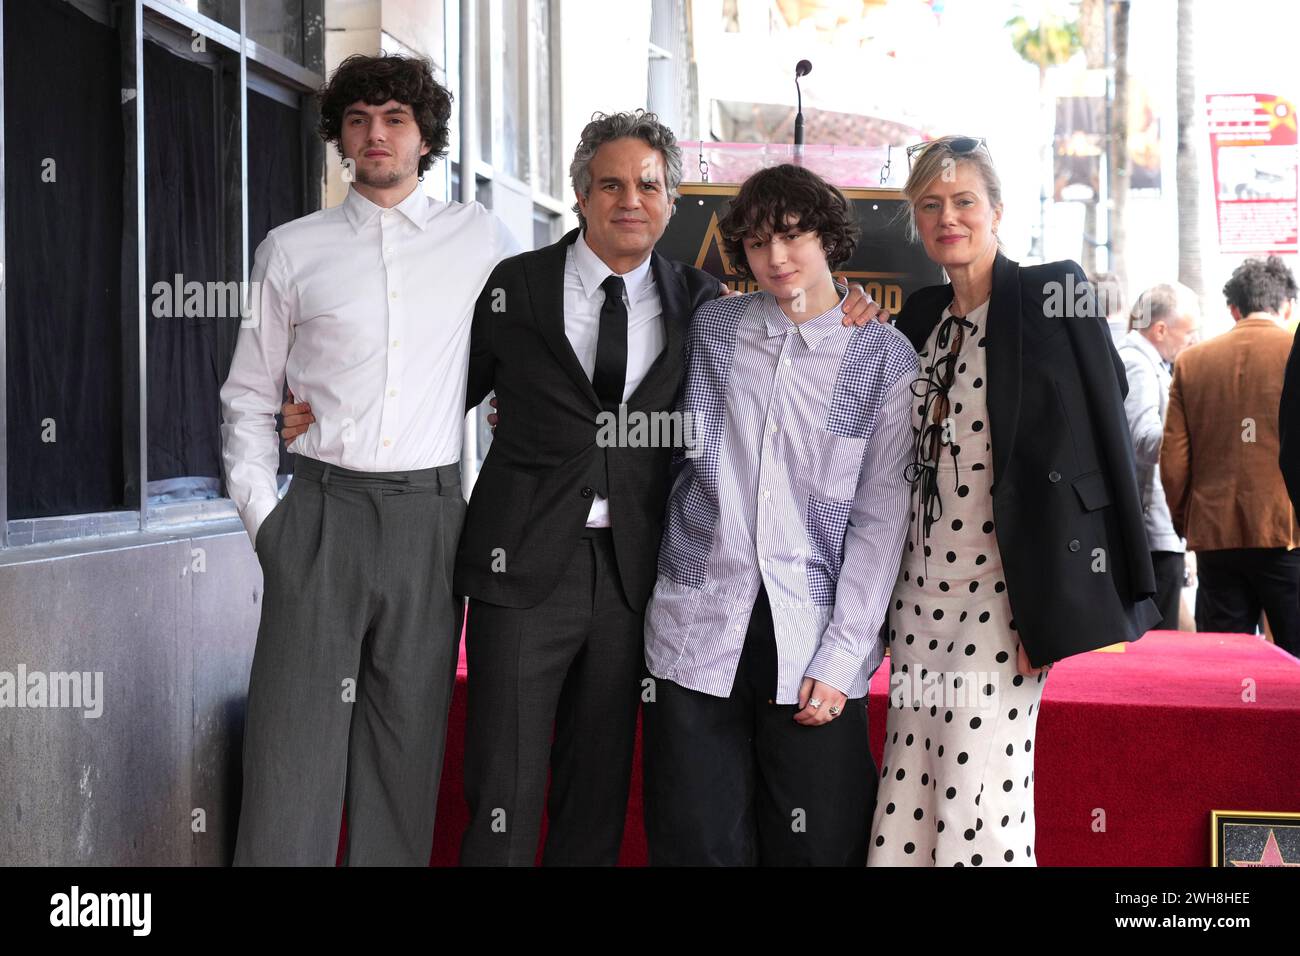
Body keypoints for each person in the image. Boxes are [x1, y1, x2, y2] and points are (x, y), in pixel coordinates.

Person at [279, 118, 885, 866]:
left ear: (669, 203)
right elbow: (434, 389)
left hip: (635, 578)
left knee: (594, 793)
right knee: (503, 790)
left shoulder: (702, 305)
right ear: (580, 196)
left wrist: (853, 299)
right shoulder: (517, 285)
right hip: (521, 567)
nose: (631, 199)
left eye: (649, 186)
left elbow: (806, 313)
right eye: (611, 184)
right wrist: (321, 409)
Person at [219, 54, 518, 865]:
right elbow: (249, 394)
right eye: (357, 119)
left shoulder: (484, 238)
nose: (374, 134)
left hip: (430, 520)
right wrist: (266, 517)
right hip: (316, 514)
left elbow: (546, 338)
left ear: (426, 137)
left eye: (393, 118)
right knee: (289, 756)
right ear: (340, 137)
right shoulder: (290, 248)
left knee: (404, 754)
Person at [868, 135, 1160, 867]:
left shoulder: (1051, 291)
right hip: (917, 592)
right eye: (930, 205)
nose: (948, 217)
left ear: (997, 209)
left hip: (1005, 595)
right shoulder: (921, 318)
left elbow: (1105, 419)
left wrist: (1064, 599)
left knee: (978, 786)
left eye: (964, 200)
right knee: (911, 778)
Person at [641, 163, 918, 866]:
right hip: (697, 626)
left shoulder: (884, 359)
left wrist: (844, 652)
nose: (777, 258)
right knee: (697, 844)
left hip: (813, 635)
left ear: (829, 237)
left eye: (793, 237)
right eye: (759, 244)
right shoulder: (714, 328)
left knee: (817, 845)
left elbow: (882, 520)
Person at [1161, 256, 1300, 657]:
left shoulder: (1192, 361)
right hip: (1286, 531)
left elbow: (1173, 460)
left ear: (1233, 309)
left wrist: (1185, 518)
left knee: (1224, 661)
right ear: (1287, 305)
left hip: (1215, 534)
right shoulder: (1292, 350)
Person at [1118, 283, 1201, 629]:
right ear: (1161, 329)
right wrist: (1196, 437)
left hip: (1151, 527)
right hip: (1153, 531)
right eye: (1188, 333)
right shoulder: (1139, 364)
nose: (1192, 342)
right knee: (1160, 640)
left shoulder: (1138, 359)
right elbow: (1143, 441)